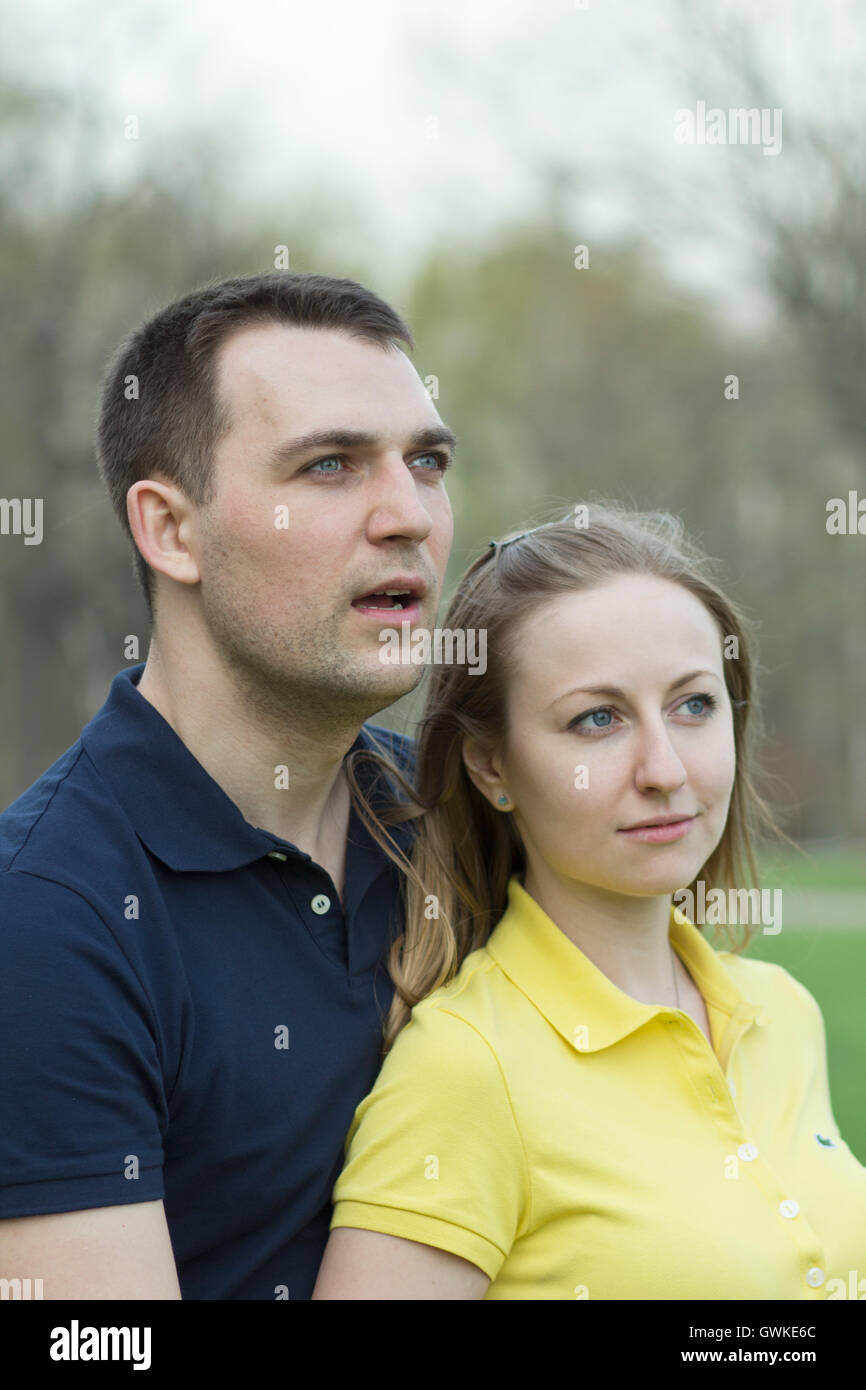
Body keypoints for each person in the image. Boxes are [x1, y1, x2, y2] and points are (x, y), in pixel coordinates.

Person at [0, 271, 456, 1299]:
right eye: (331, 464)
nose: (409, 516)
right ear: (170, 529)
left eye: (425, 461)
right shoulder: (44, 920)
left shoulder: (465, 819)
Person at [313, 503, 866, 1300]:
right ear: (491, 766)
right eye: (597, 719)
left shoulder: (782, 1013)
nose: (665, 769)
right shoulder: (470, 1069)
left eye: (694, 704)